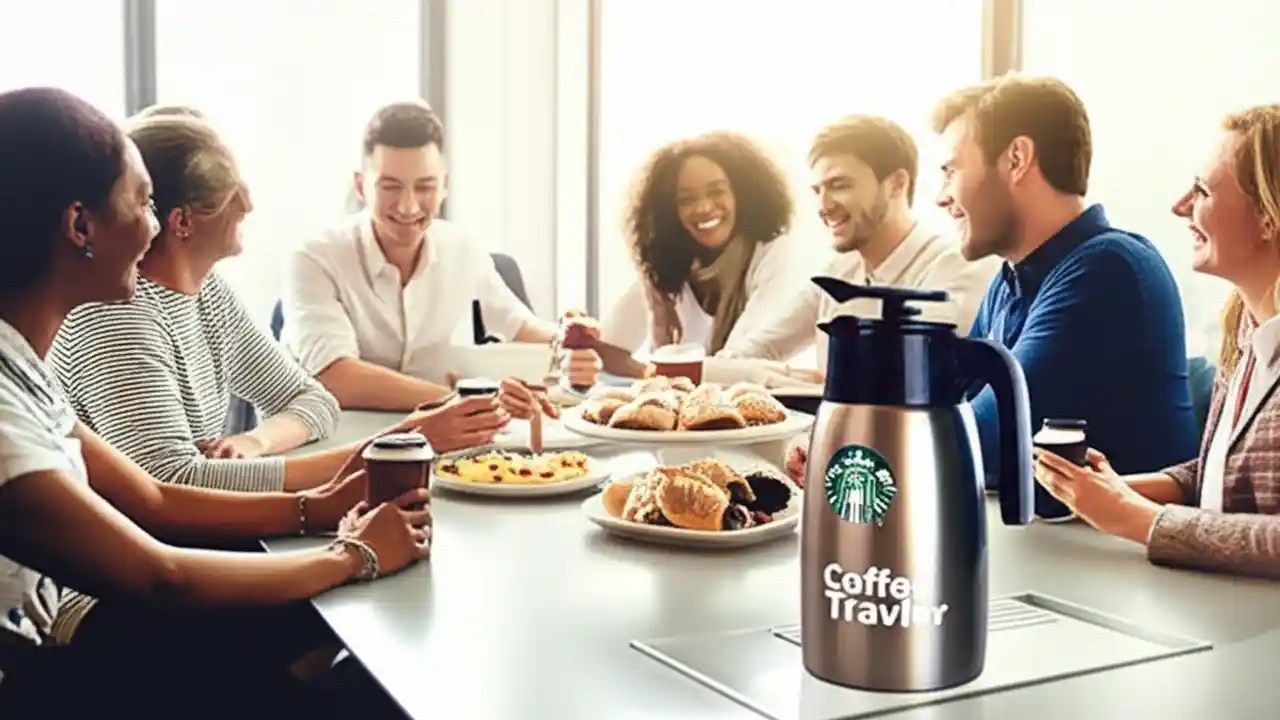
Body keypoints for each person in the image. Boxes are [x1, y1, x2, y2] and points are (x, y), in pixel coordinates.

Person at [0, 87, 427, 716]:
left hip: (102, 623)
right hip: (48, 668)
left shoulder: (21, 368)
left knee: (352, 651)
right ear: (79, 226)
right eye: (142, 202)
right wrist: (352, 555)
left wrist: (319, 506)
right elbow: (160, 577)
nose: (152, 227)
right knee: (358, 671)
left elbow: (153, 498)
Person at [788, 76, 1200, 516]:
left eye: (951, 170)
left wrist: (847, 449)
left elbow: (985, 436)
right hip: (1048, 546)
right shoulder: (1011, 279)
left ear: (1017, 159)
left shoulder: (1106, 269)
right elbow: (941, 401)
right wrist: (839, 438)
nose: (943, 197)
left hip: (1118, 568)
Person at [51, 113, 509, 493]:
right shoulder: (115, 318)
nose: (248, 202)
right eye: (232, 189)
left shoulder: (209, 293)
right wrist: (395, 445)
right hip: (118, 583)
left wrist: (256, 440)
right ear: (182, 221)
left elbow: (314, 399)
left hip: (191, 547)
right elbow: (177, 484)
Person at [1035, 103, 1280, 578]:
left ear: (1268, 218)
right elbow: (1219, 475)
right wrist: (1108, 493)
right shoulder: (1245, 328)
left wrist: (1137, 519)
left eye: (1203, 190)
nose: (1180, 205)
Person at [282, 100, 599, 413]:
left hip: (449, 439)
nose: (408, 206)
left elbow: (518, 324)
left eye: (425, 187)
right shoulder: (314, 258)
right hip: (345, 441)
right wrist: (455, 398)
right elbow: (336, 377)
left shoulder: (462, 249)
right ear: (362, 186)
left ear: (444, 186)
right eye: (390, 187)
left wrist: (567, 348)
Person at [715, 114, 999, 384]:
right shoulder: (840, 272)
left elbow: (907, 379)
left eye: (839, 185)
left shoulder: (956, 267)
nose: (823, 206)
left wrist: (802, 383)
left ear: (896, 183)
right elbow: (744, 355)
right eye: (817, 191)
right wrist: (767, 375)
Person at [599, 131, 810, 358]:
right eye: (686, 200)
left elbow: (741, 359)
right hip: (695, 393)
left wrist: (664, 367)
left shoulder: (776, 254)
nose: (704, 208)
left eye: (716, 192)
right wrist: (655, 316)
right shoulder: (672, 268)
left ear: (743, 194)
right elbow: (602, 351)